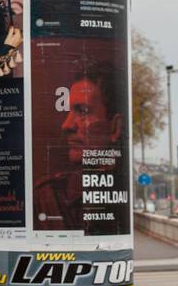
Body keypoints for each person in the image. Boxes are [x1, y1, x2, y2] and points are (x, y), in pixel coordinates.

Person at [34, 61, 125, 233]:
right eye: (69, 112)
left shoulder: (124, 195)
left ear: (115, 127)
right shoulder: (48, 197)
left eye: (82, 111)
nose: (66, 125)